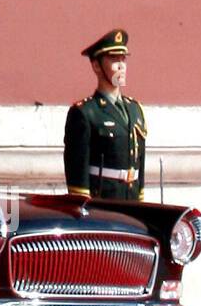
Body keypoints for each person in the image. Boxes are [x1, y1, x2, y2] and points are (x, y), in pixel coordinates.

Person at [63, 28, 147, 200]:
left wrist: (140, 199)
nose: (121, 65)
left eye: (123, 59)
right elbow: (77, 171)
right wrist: (83, 205)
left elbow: (140, 163)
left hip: (131, 201)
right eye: (114, 59)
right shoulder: (85, 112)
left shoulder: (135, 109)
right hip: (103, 202)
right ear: (96, 66)